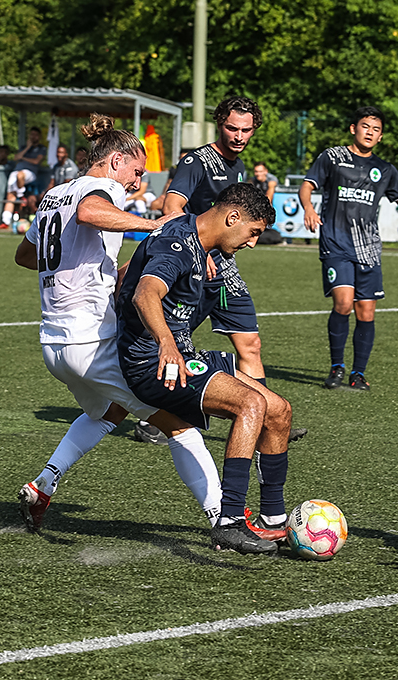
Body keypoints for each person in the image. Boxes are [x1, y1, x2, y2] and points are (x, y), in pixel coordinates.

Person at [13, 113, 221, 534]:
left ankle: (44, 484)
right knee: (179, 426)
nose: (137, 183)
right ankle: (225, 518)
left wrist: (95, 270)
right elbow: (91, 211)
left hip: (54, 343)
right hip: (90, 340)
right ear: (115, 161)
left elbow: (25, 255)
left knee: (109, 412)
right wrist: (152, 225)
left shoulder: (54, 194)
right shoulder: (99, 188)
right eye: (136, 172)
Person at [117, 182, 292, 554]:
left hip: (182, 353)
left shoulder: (202, 246)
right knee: (251, 405)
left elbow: (125, 275)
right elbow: (144, 292)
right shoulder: (178, 243)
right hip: (153, 363)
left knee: (279, 411)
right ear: (232, 217)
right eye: (253, 232)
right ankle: (228, 523)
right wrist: (165, 343)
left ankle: (274, 521)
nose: (253, 242)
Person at [147, 96, 308, 445]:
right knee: (170, 342)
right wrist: (196, 246)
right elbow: (172, 206)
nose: (238, 135)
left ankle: (267, 417)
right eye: (231, 127)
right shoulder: (197, 161)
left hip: (224, 270)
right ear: (219, 124)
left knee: (250, 343)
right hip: (191, 266)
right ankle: (151, 417)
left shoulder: (238, 165)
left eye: (245, 129)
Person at [299, 106, 398, 391]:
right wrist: (308, 207)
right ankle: (336, 367)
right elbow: (307, 186)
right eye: (366, 126)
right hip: (336, 243)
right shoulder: (333, 157)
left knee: (366, 311)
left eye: (376, 129)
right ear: (353, 128)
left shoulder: (385, 170)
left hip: (368, 248)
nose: (370, 132)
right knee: (343, 303)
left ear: (381, 137)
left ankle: (358, 373)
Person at [0, 128, 46, 229]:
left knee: (20, 175)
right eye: (31, 135)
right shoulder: (24, 147)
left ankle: (20, 196)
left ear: (39, 137)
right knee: (10, 196)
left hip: (30, 173)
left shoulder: (41, 148)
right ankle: (5, 221)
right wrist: (28, 147)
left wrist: (23, 158)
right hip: (16, 172)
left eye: (35, 135)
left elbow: (36, 161)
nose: (33, 137)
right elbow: (16, 157)